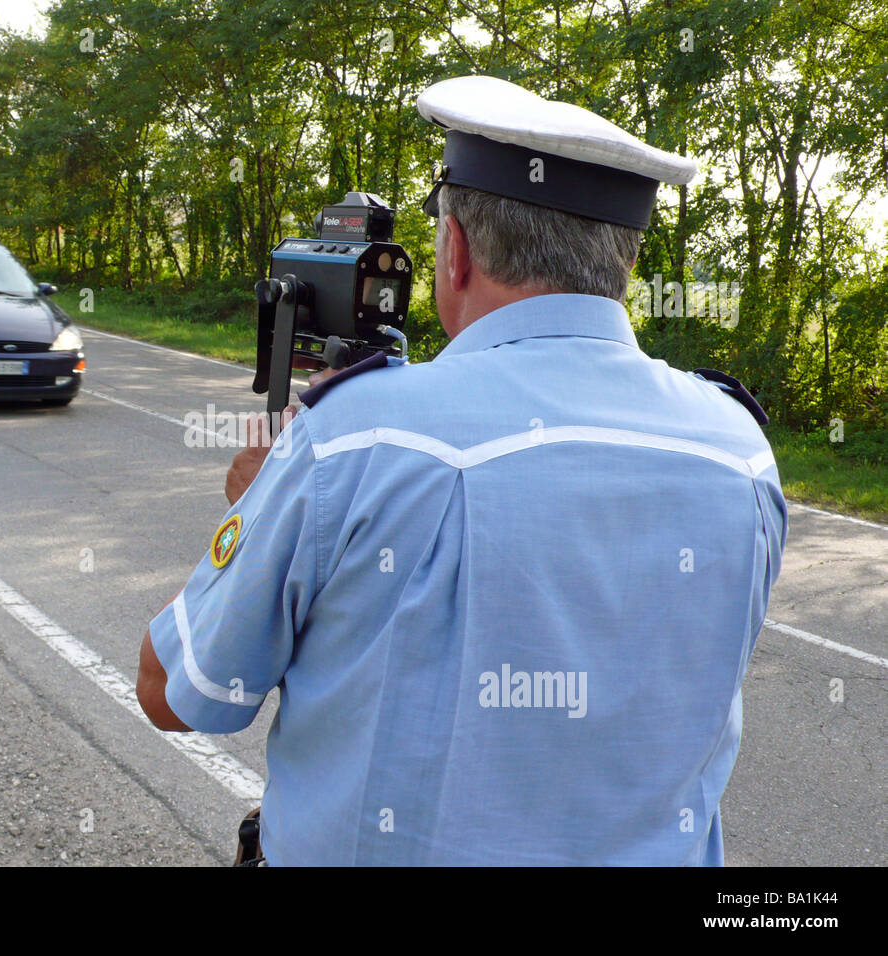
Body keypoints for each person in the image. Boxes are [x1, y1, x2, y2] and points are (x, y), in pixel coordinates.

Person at [136, 75, 787, 865]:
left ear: (457, 249)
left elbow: (175, 694)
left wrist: (255, 505)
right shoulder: (741, 450)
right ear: (623, 258)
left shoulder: (357, 436)